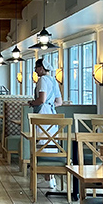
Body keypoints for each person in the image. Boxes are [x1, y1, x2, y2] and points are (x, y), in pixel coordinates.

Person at [28, 58, 63, 190]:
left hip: (42, 115)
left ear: (42, 68)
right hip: (51, 114)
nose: (35, 71)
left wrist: (32, 103)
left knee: (42, 145)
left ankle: (47, 179)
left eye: (36, 68)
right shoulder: (54, 80)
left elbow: (41, 99)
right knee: (50, 144)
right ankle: (51, 179)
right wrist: (50, 106)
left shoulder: (42, 80)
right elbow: (59, 102)